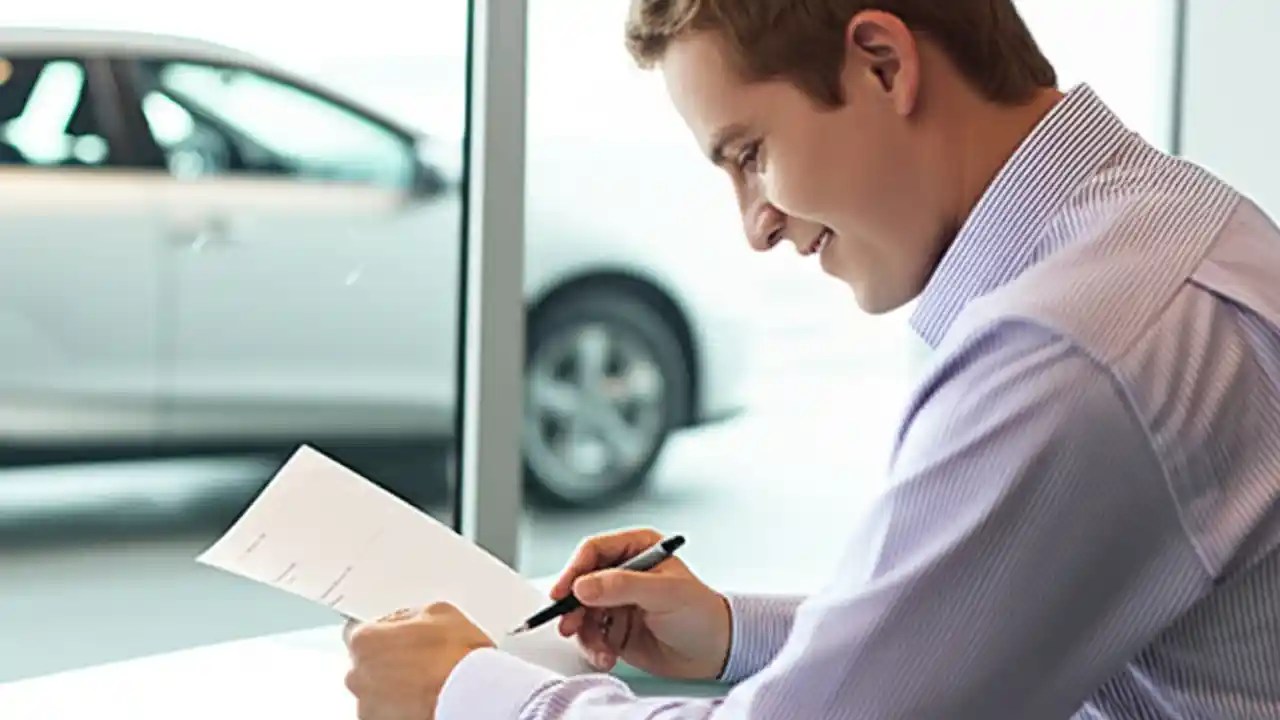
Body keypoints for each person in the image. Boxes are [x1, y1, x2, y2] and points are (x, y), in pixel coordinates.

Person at [342, 0, 1280, 717]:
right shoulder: (1159, 233)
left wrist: (472, 693)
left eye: (750, 153)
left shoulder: (1076, 348)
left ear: (881, 63)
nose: (755, 226)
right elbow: (982, 622)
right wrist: (733, 636)